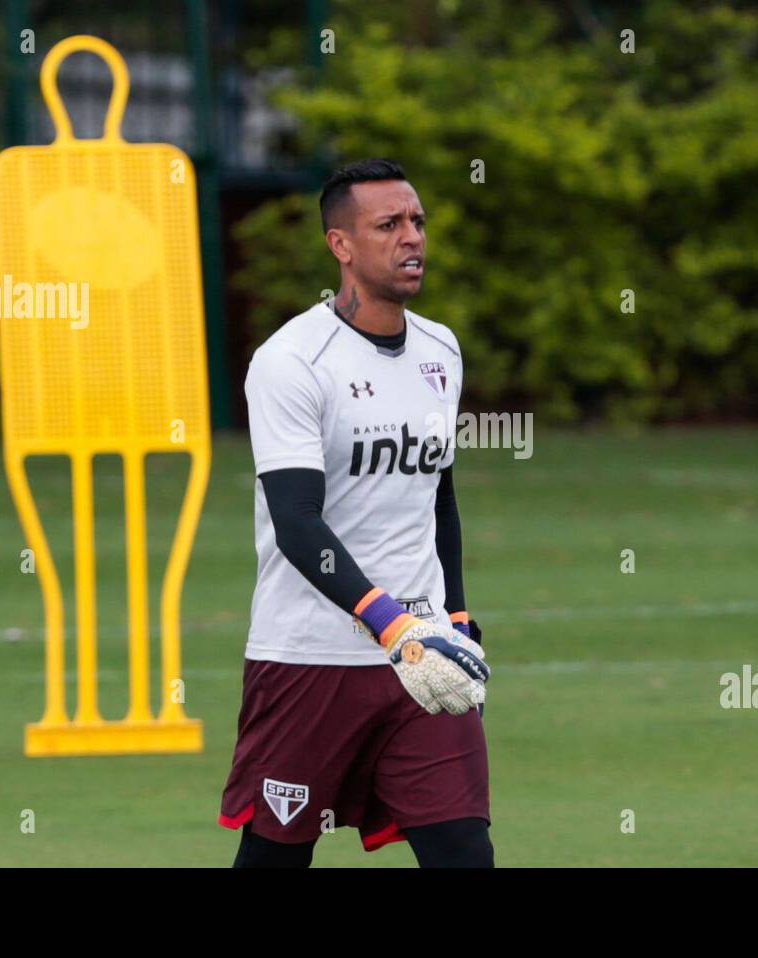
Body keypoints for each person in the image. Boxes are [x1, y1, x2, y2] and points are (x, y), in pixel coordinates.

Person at [218, 158, 493, 867]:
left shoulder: (441, 350)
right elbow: (298, 522)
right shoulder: (292, 362)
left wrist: (453, 619)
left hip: (421, 656)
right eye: (389, 225)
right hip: (309, 656)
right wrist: (388, 622)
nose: (412, 240)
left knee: (464, 849)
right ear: (341, 245)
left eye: (418, 223)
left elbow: (440, 495)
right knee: (276, 856)